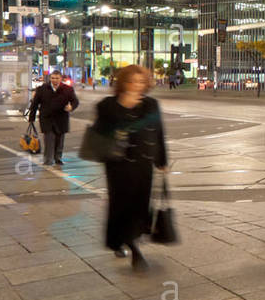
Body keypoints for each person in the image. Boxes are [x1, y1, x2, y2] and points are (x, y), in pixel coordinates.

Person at [93, 64, 168, 270]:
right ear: (123, 83)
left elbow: (159, 133)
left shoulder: (151, 104)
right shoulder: (108, 105)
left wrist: (162, 160)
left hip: (144, 164)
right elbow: (102, 130)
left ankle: (124, 238)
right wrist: (123, 107)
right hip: (118, 165)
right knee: (121, 205)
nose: (136, 86)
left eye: (141, 82)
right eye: (132, 81)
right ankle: (133, 248)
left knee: (139, 205)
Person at [27, 69, 79, 166]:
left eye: (57, 78)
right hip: (47, 119)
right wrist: (31, 118)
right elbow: (35, 104)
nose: (54, 80)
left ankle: (58, 158)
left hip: (61, 119)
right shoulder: (42, 89)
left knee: (59, 141)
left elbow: (75, 101)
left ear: (61, 79)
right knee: (49, 139)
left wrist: (71, 107)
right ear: (50, 78)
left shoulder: (68, 89)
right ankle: (48, 160)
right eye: (53, 78)